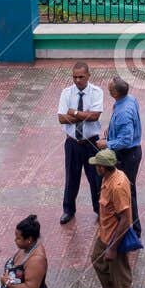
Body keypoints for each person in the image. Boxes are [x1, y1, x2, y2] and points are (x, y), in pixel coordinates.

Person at [90, 148, 137, 288]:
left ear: (103, 168)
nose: (95, 168)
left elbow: (125, 218)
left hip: (114, 235)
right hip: (105, 232)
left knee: (119, 271)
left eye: (97, 165)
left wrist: (113, 247)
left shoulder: (117, 186)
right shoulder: (108, 178)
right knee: (97, 260)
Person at [57, 61, 104, 225]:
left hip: (91, 143)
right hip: (72, 143)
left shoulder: (97, 92)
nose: (77, 80)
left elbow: (95, 117)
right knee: (71, 177)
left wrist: (74, 112)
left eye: (81, 77)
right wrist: (84, 115)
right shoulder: (66, 93)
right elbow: (61, 118)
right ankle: (68, 210)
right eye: (74, 77)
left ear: (88, 76)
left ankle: (99, 209)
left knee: (96, 178)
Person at [100, 76, 143, 234]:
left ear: (115, 93)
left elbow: (126, 139)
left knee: (127, 191)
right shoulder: (130, 99)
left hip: (127, 155)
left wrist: (108, 143)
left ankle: (133, 229)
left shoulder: (123, 113)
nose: (108, 88)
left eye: (110, 87)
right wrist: (111, 132)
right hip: (130, 152)